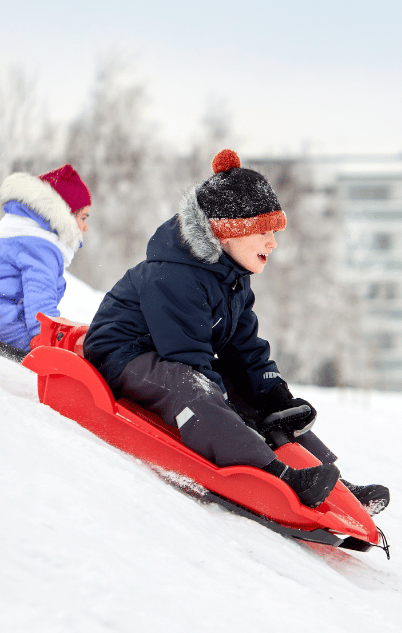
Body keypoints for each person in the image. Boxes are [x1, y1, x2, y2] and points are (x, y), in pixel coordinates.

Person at [83, 150, 389, 513]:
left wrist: (274, 394)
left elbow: (245, 348)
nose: (272, 242)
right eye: (263, 231)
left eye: (274, 231)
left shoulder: (232, 277)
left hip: (174, 354)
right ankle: (275, 474)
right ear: (227, 231)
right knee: (192, 387)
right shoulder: (175, 275)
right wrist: (232, 411)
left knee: (261, 396)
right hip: (124, 355)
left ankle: (334, 484)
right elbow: (187, 359)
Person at [0, 164, 91, 352]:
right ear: (67, 215)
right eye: (84, 218)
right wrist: (51, 343)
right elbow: (40, 304)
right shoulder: (42, 247)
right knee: (65, 353)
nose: (85, 227)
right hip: (0, 320)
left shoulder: (24, 236)